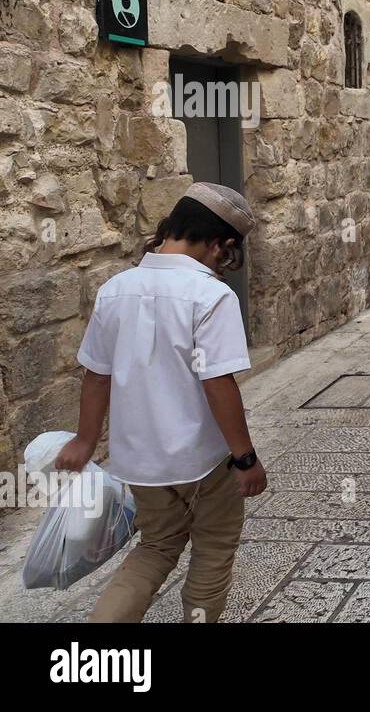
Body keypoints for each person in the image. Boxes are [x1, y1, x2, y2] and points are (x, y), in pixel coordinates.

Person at [55, 183, 267, 623]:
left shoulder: (116, 288)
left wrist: (85, 439)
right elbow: (217, 382)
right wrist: (245, 458)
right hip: (206, 462)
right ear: (221, 245)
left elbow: (96, 374)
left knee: (155, 549)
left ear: (170, 228)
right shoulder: (211, 295)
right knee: (213, 551)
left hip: (141, 464)